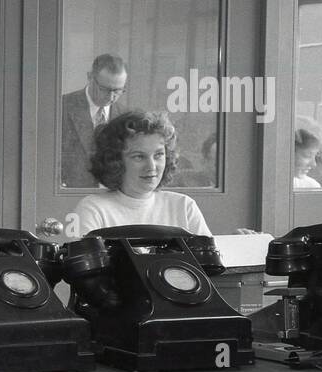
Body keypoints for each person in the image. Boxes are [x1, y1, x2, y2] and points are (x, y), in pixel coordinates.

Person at [71, 110, 211, 236]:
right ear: (115, 161)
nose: (151, 166)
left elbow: (210, 264)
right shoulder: (93, 210)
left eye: (158, 155)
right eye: (139, 156)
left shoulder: (184, 207)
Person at [60, 54, 128, 188]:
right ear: (90, 77)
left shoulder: (125, 116)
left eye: (118, 90)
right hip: (68, 195)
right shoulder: (61, 107)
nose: (111, 97)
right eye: (104, 89)